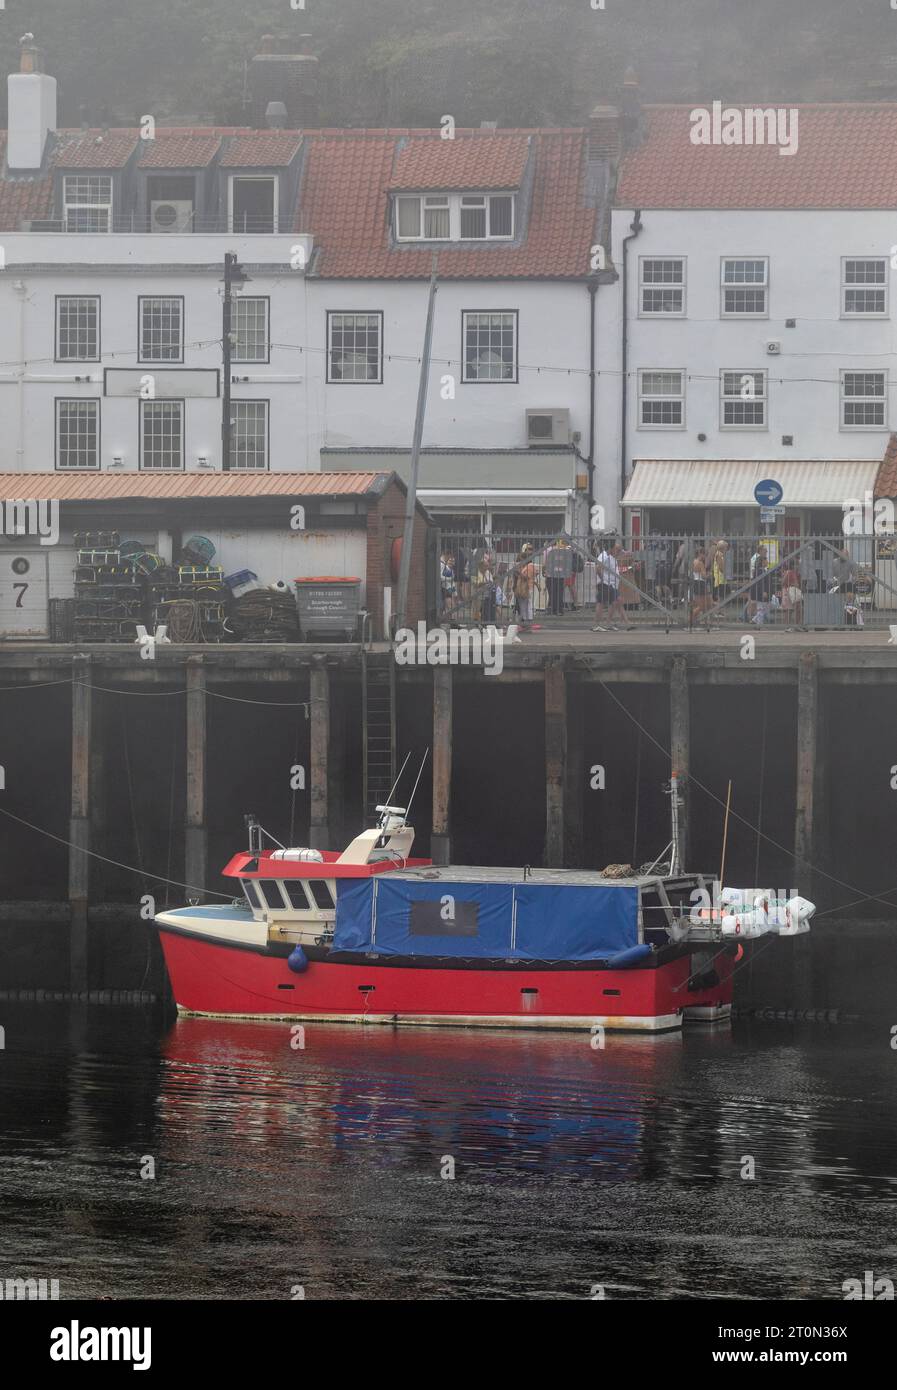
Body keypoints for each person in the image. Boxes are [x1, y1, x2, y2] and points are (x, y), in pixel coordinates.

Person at [593, 540, 626, 630]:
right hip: (605, 583)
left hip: (611, 584)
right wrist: (603, 579)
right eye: (616, 549)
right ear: (611, 548)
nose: (617, 552)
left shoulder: (611, 557)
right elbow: (598, 569)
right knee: (601, 603)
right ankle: (597, 625)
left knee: (614, 603)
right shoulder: (604, 556)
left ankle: (607, 623)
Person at [543, 536, 573, 617]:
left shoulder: (547, 550)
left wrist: (544, 571)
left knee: (552, 592)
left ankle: (552, 609)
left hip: (550, 574)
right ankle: (559, 610)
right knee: (559, 592)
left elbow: (545, 563)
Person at [511, 543, 536, 630]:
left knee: (526, 604)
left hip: (526, 587)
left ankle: (526, 621)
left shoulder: (530, 565)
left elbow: (529, 576)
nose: (530, 551)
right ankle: (523, 620)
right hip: (520, 586)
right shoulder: (521, 564)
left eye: (531, 549)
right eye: (528, 549)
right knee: (521, 605)